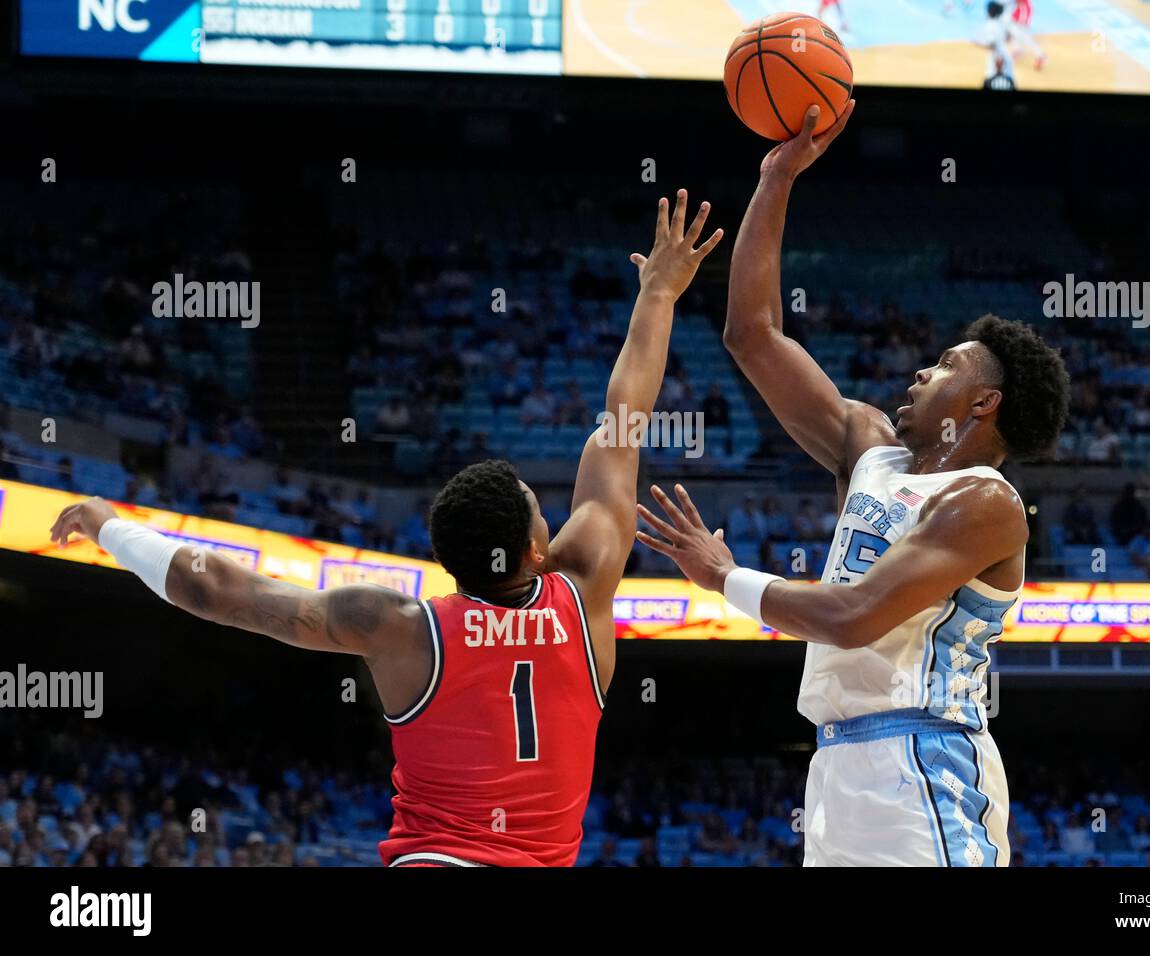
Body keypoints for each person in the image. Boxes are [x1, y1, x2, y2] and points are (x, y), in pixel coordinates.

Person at [48, 191, 724, 868]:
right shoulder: (584, 589)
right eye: (540, 510)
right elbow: (623, 419)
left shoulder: (401, 625)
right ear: (534, 549)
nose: (551, 514)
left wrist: (110, 525)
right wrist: (659, 296)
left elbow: (216, 589)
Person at [636, 105, 1070, 867]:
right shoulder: (869, 448)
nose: (920, 372)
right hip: (834, 769)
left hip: (922, 763)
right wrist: (776, 180)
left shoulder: (986, 504)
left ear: (983, 404)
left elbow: (854, 615)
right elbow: (753, 333)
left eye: (943, 366)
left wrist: (723, 576)